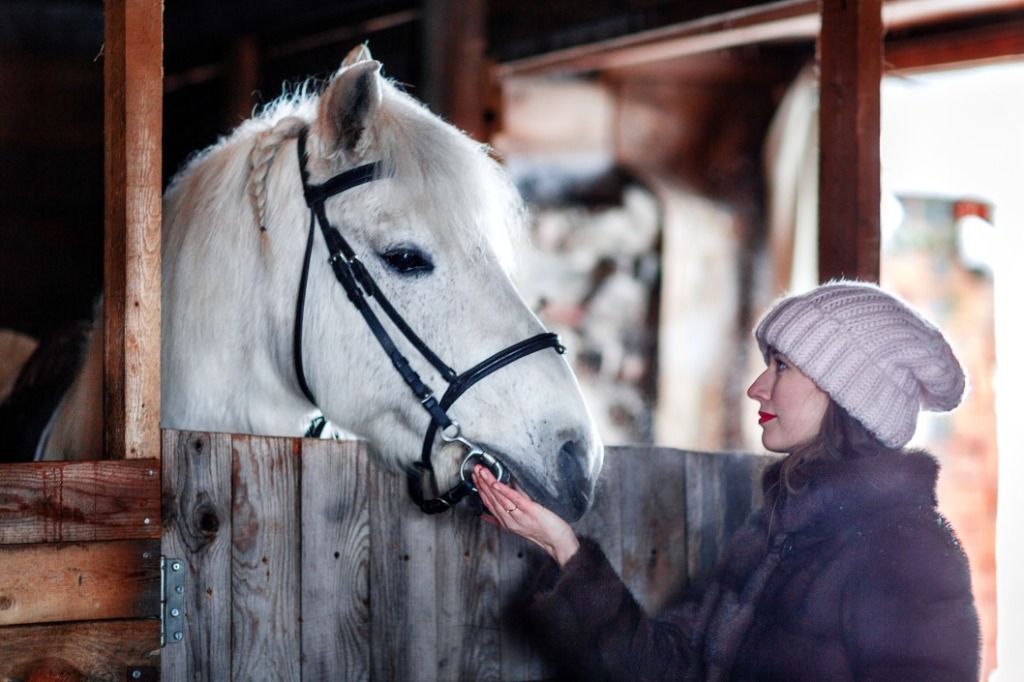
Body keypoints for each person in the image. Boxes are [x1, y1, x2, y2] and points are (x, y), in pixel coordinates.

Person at [472, 279, 980, 681]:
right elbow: (671, 669)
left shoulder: (910, 550)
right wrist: (564, 549)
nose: (757, 388)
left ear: (845, 392)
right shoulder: (776, 533)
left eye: (782, 366)